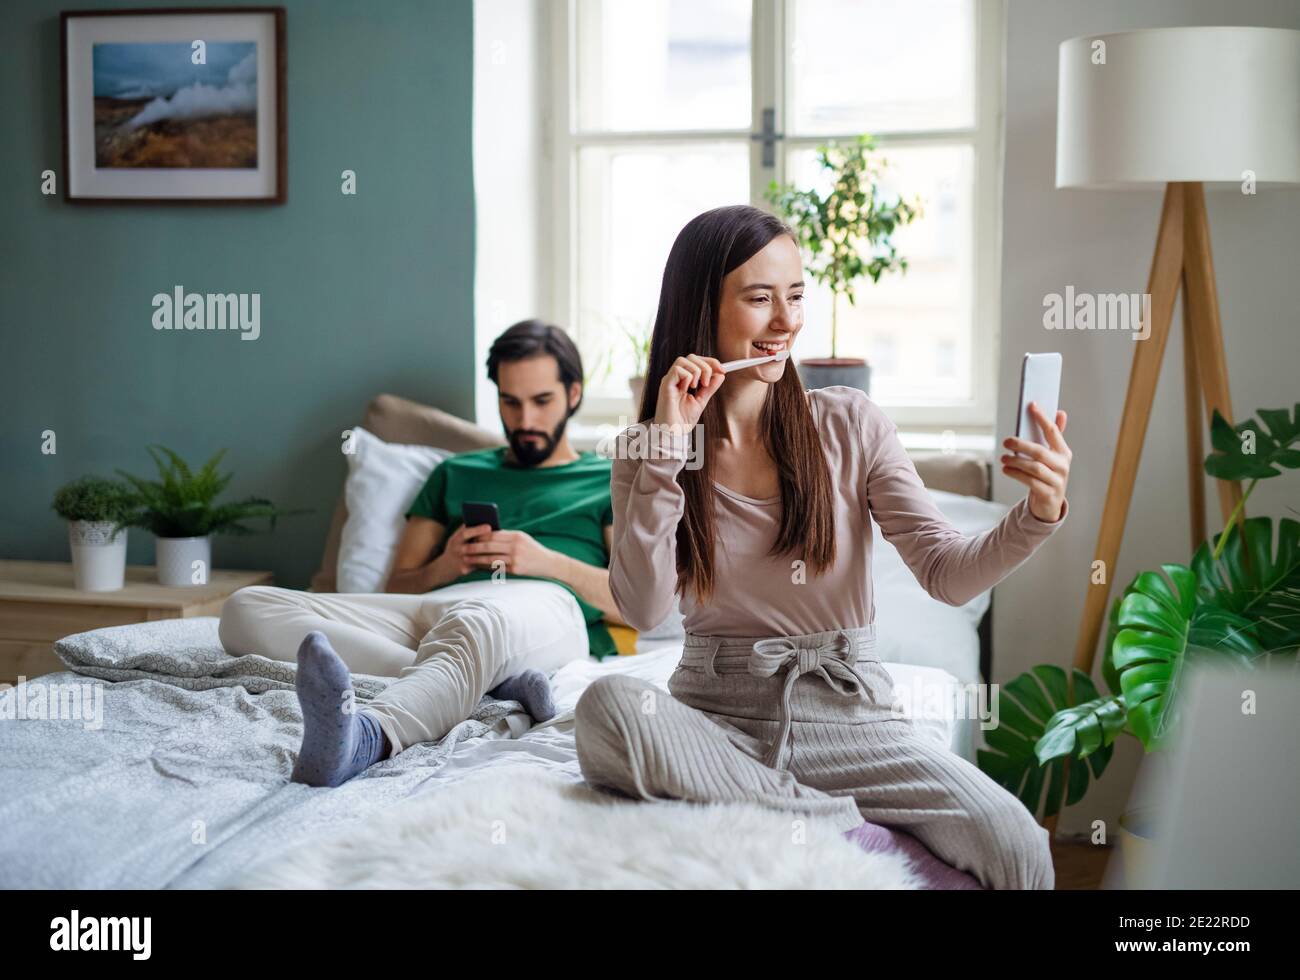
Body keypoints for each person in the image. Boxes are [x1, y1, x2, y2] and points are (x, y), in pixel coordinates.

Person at [573, 205, 1071, 890]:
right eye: (759, 299)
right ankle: (844, 828)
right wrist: (665, 446)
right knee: (610, 710)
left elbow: (948, 576)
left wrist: (1037, 514)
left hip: (850, 714)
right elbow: (647, 607)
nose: (787, 321)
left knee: (1016, 843)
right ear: (700, 311)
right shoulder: (646, 447)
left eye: (797, 295)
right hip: (716, 719)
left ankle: (797, 811)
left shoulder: (850, 424)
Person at [219, 320, 625, 787]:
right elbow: (398, 585)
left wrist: (544, 561)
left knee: (476, 623)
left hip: (542, 605)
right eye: (510, 402)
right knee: (245, 608)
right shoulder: (456, 471)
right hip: (436, 609)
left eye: (542, 401)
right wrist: (445, 564)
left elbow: (631, 605)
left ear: (573, 394)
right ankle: (489, 689)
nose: (525, 421)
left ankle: (367, 736)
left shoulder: (606, 478)